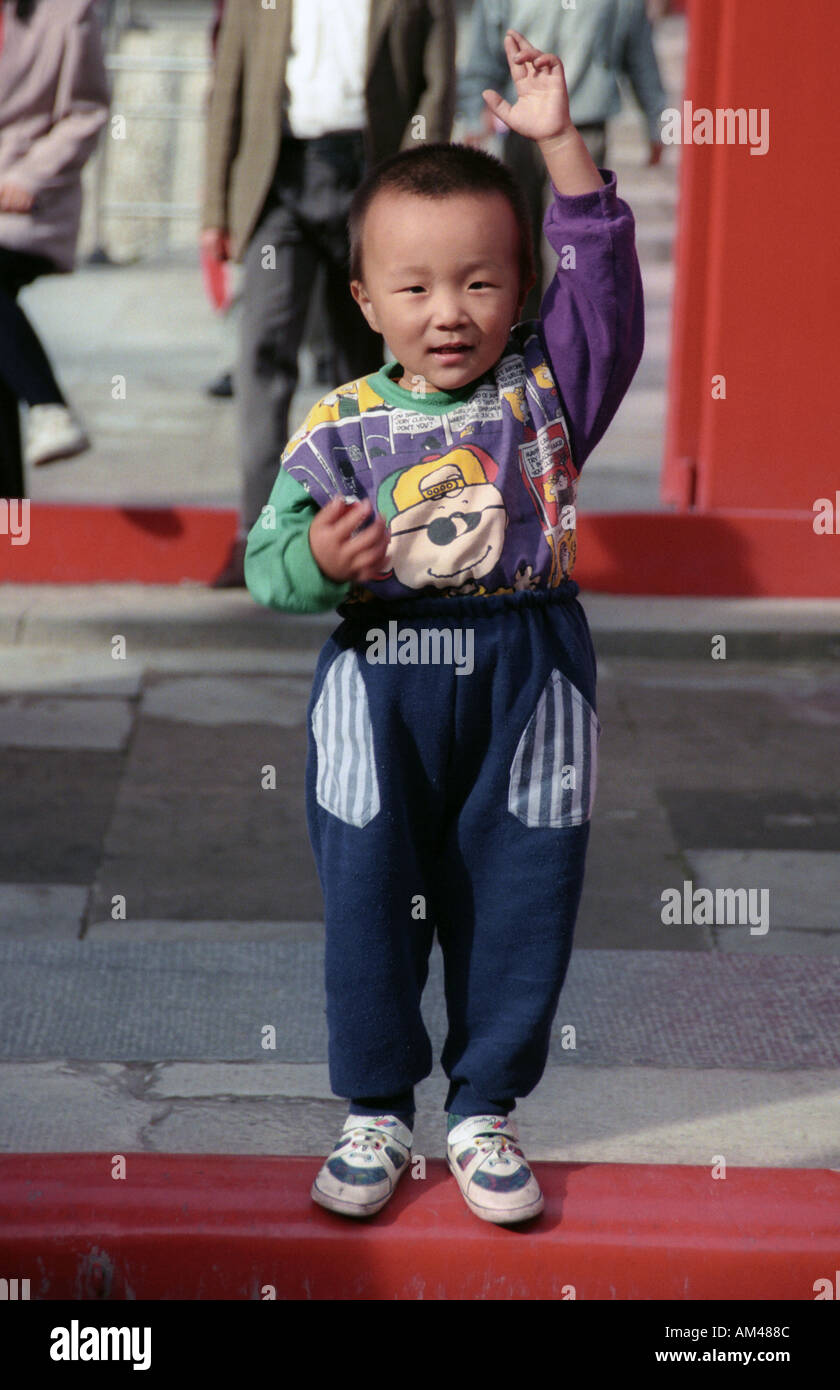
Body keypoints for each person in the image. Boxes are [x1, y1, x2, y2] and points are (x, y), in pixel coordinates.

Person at [245, 28, 643, 1223]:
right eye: (414, 287)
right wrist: (317, 557)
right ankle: (374, 1107)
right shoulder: (339, 428)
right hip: (380, 679)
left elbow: (606, 294)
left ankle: (484, 1110)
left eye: (480, 281)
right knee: (370, 894)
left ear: (520, 289)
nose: (450, 311)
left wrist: (561, 145)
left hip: (530, 670)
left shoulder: (546, 393)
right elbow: (267, 560)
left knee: (521, 891)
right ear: (365, 297)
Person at [201, 0, 456, 586]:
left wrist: (418, 190)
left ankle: (359, 530)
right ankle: (257, 531)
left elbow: (436, 87)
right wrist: (215, 209)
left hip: (371, 171)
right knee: (262, 351)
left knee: (358, 364)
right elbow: (229, 88)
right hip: (279, 175)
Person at [460, 0, 666, 319]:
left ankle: (574, 332)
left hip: (585, 129)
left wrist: (656, 122)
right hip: (521, 126)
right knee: (519, 237)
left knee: (580, 237)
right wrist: (475, 113)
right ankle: (523, 331)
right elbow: (485, 51)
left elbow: (640, 55)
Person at [0, 0, 109, 497]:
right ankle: (10, 519)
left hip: (24, 201)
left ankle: (48, 404)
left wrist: (30, 176)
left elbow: (87, 112)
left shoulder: (66, 12)